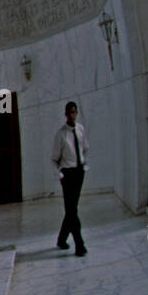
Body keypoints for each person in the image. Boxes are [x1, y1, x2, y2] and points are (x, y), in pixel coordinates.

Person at [50, 101, 89, 257]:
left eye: (74, 112)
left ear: (76, 113)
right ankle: (80, 244)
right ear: (65, 114)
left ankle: (61, 240)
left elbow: (86, 149)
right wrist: (60, 175)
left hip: (79, 172)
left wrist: (85, 166)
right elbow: (53, 159)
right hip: (67, 174)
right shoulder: (60, 134)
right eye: (69, 113)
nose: (72, 115)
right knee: (72, 210)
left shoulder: (81, 129)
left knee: (71, 209)